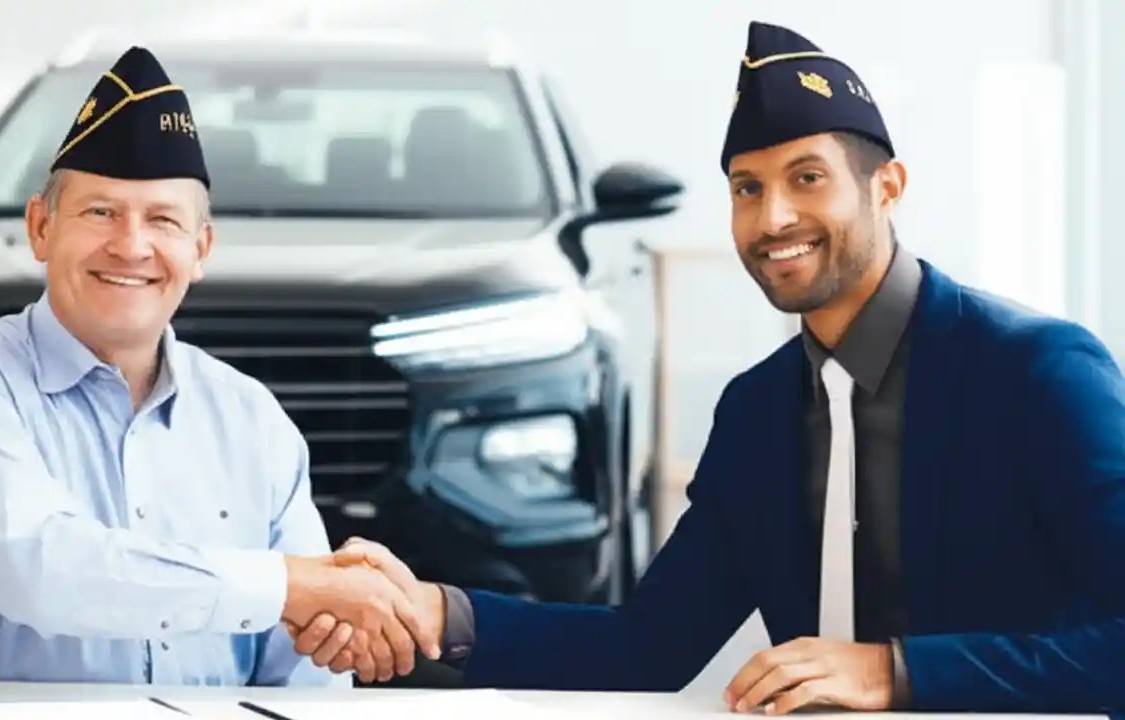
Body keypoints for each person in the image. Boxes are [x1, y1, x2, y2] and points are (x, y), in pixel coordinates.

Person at [286, 20, 1125, 713]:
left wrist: (896, 670)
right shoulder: (759, 411)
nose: (774, 217)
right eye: (746, 188)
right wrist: (436, 610)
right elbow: (651, 646)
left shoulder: (1038, 374)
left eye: (807, 178)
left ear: (888, 186)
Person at [0, 46, 438, 686]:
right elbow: (42, 571)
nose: (131, 245)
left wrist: (340, 615)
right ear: (41, 227)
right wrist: (289, 583)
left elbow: (306, 669)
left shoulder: (250, 416)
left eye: (163, 220)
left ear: (199, 249)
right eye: (101, 212)